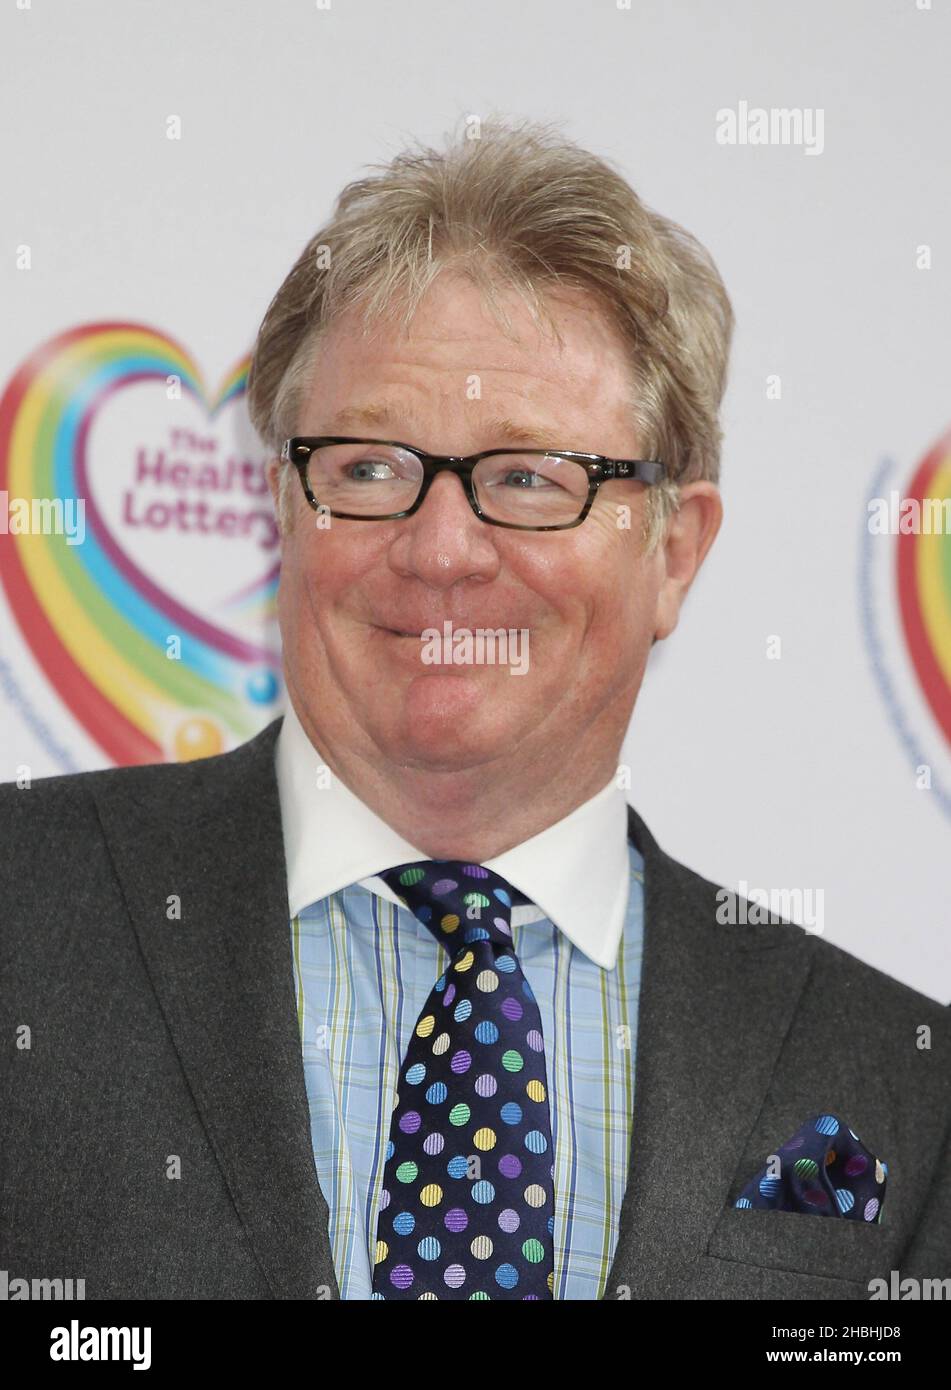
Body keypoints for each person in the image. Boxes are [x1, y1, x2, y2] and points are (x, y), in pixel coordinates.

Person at [2, 118, 948, 1302]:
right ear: (282, 511)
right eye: (367, 468)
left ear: (675, 553)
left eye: (529, 480)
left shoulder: (904, 1081)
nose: (441, 549)